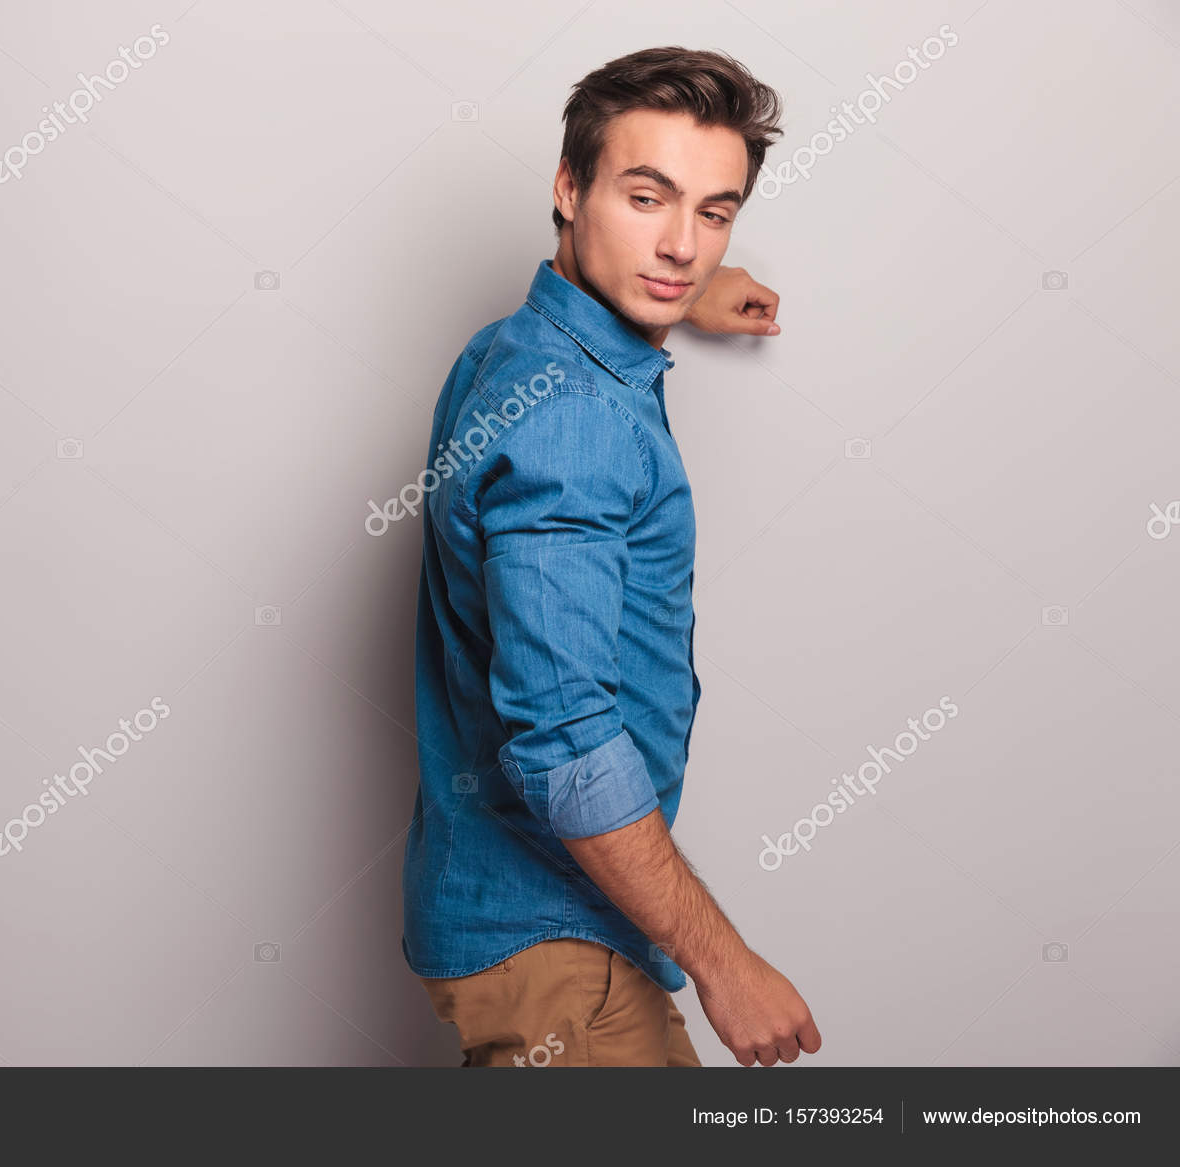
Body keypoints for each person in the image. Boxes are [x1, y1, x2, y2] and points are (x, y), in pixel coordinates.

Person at [401, 46, 822, 1068]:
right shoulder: (575, 427)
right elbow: (565, 745)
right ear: (567, 187)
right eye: (647, 198)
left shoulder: (511, 352)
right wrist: (725, 965)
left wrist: (680, 296)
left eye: (713, 214)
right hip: (558, 955)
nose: (681, 244)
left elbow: (638, 288)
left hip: (505, 916)